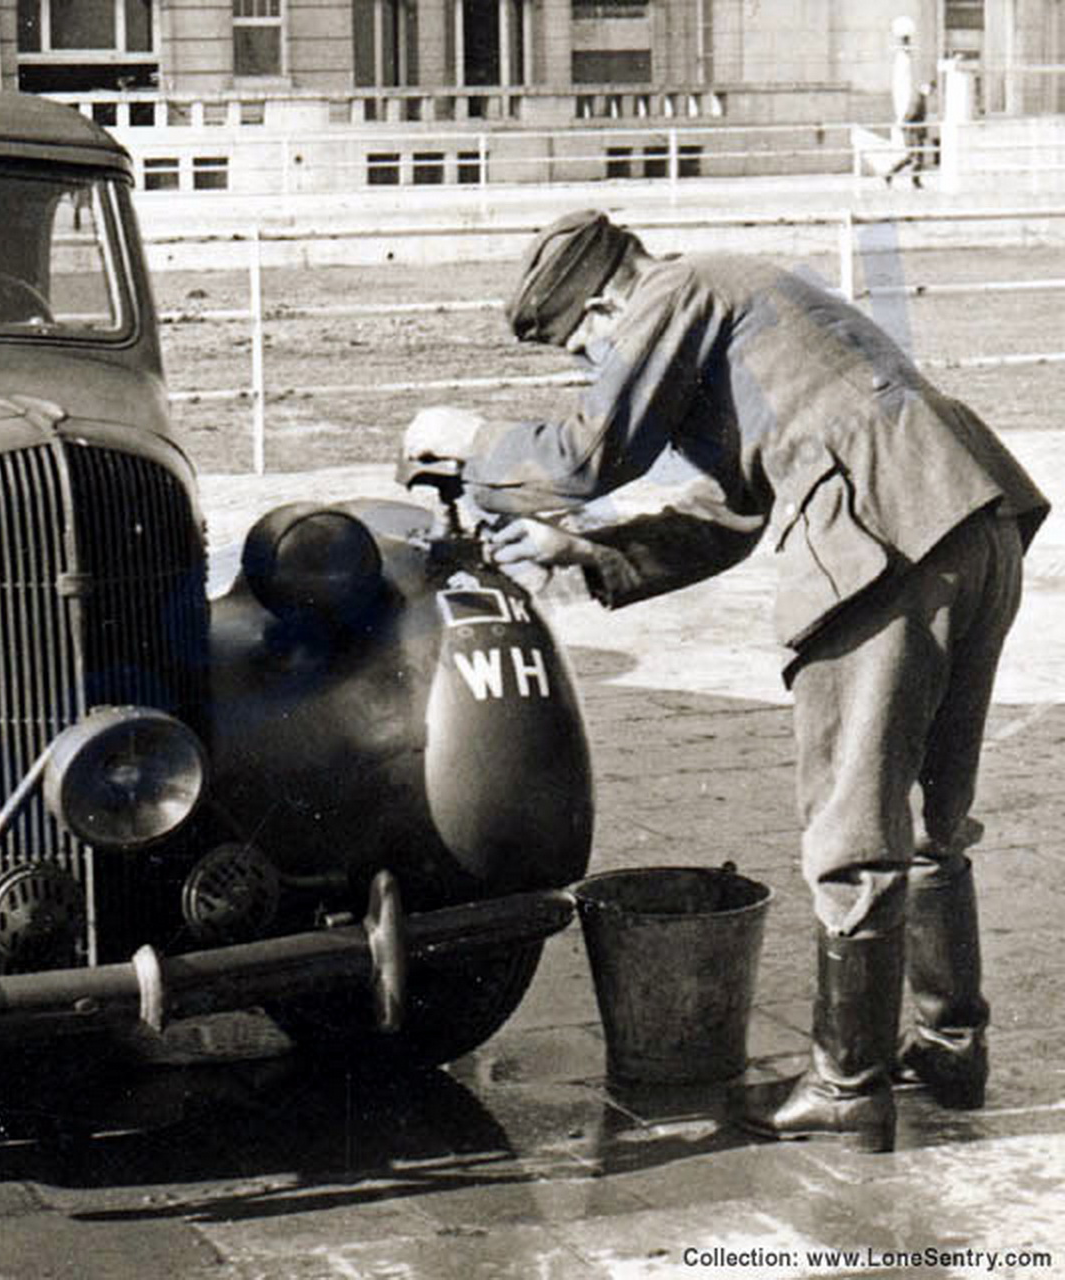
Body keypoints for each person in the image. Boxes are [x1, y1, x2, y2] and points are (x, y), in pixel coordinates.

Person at [404, 210, 1049, 1153]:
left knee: (852, 828)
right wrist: (580, 551)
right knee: (924, 820)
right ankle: (950, 1044)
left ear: (605, 299)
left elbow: (587, 455)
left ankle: (847, 1088)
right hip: (967, 519)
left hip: (884, 537)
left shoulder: (678, 289)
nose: (598, 368)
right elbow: (726, 514)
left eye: (587, 347)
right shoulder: (748, 308)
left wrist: (467, 440)